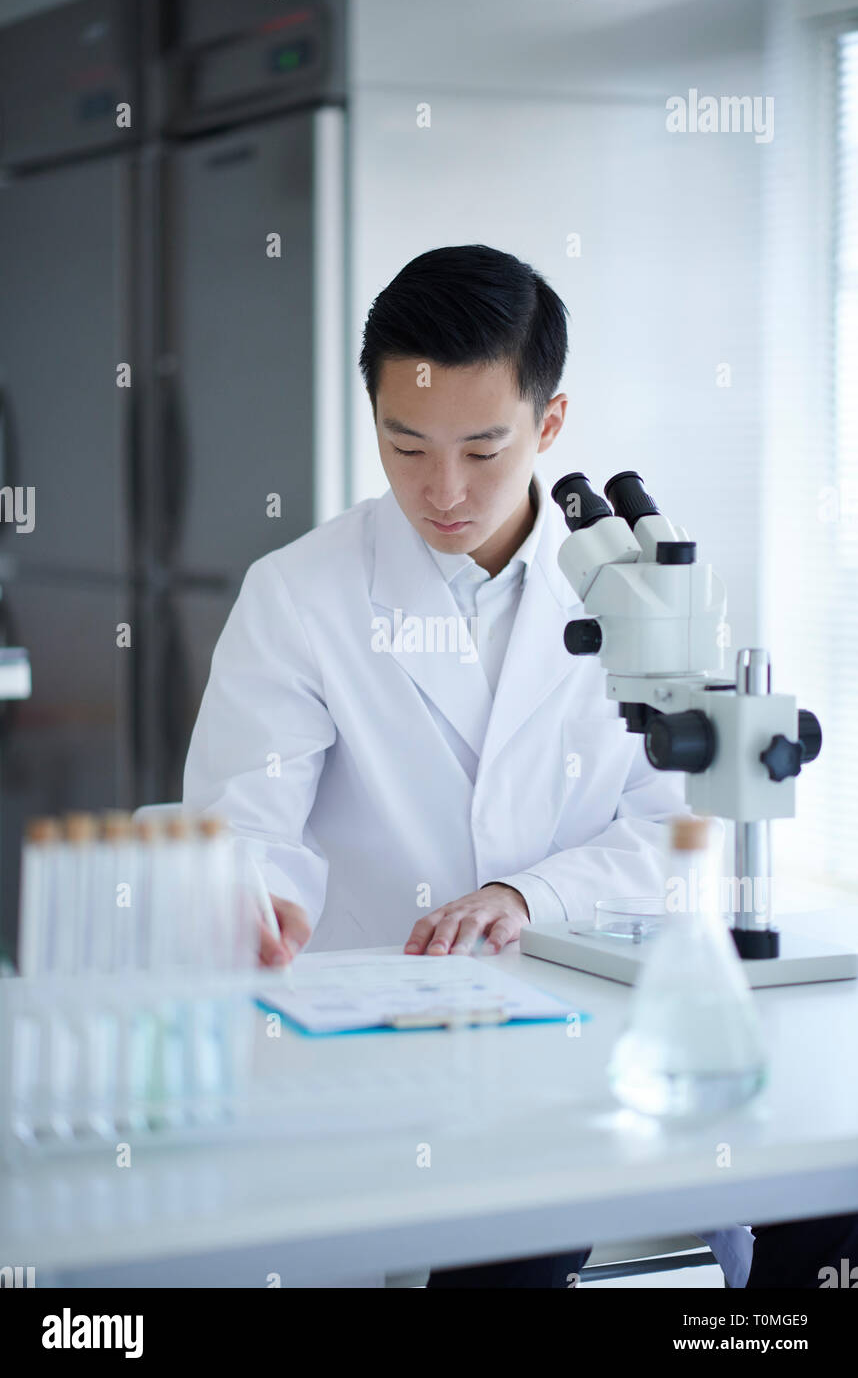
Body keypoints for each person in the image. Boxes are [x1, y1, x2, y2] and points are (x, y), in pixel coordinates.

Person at [183, 243, 853, 1289]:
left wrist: (523, 894)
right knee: (511, 1249)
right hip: (380, 1043)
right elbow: (246, 822)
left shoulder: (647, 595)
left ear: (547, 426)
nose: (440, 490)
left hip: (589, 1016)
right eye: (405, 446)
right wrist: (252, 900)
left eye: (483, 449)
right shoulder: (298, 593)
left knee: (826, 1205)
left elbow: (675, 821)